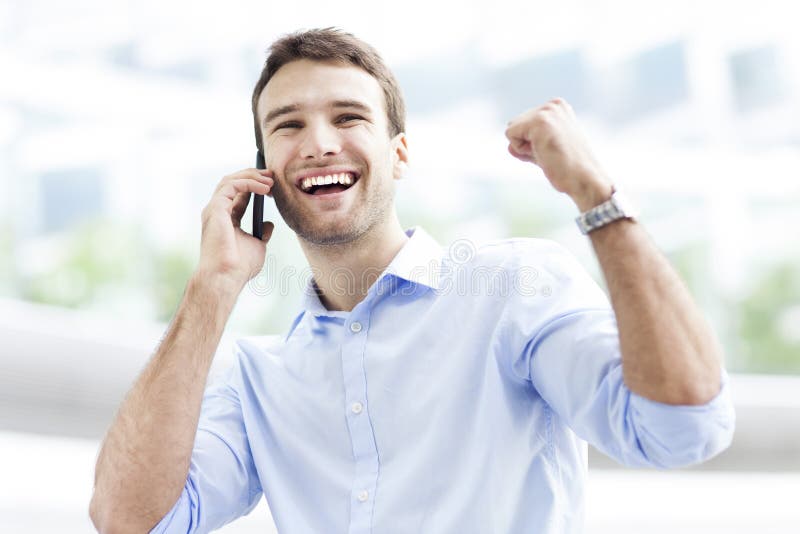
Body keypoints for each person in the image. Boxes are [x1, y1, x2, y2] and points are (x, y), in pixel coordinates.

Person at [89, 28, 735, 534]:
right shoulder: (259, 380)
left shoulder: (515, 291)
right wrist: (212, 287)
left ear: (400, 154)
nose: (317, 143)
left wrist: (596, 194)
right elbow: (131, 521)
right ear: (264, 174)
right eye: (287, 126)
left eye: (349, 118)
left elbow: (685, 426)